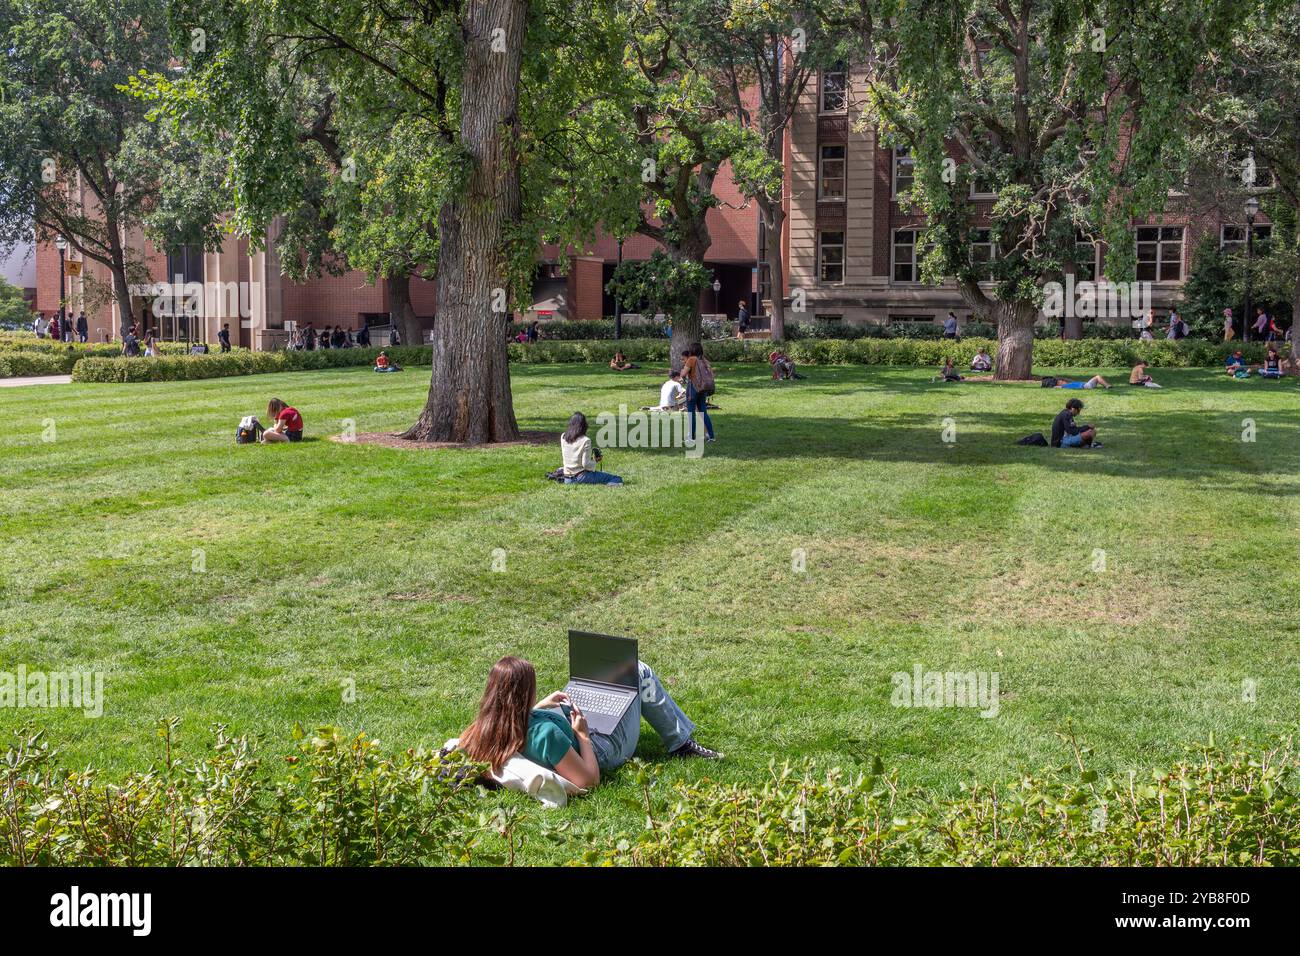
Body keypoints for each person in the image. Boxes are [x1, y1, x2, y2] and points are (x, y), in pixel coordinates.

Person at [458, 655, 721, 791]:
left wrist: (539, 707)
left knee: (587, 688)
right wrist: (583, 735)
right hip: (602, 751)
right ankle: (681, 743)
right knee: (639, 671)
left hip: (560, 728)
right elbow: (588, 780)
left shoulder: (484, 727)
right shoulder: (546, 734)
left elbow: (509, 723)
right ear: (524, 694)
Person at [559, 412, 622, 484]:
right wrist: (595, 461)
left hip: (567, 479)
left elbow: (573, 456)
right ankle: (608, 488)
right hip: (581, 477)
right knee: (617, 479)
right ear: (583, 426)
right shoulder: (586, 440)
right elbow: (586, 464)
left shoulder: (563, 436)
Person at [682, 343, 715, 443]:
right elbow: (712, 374)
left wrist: (682, 371)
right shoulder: (705, 361)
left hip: (693, 388)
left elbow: (684, 374)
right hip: (703, 389)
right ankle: (711, 436)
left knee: (691, 413)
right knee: (703, 412)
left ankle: (691, 437)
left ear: (692, 350)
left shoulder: (691, 359)